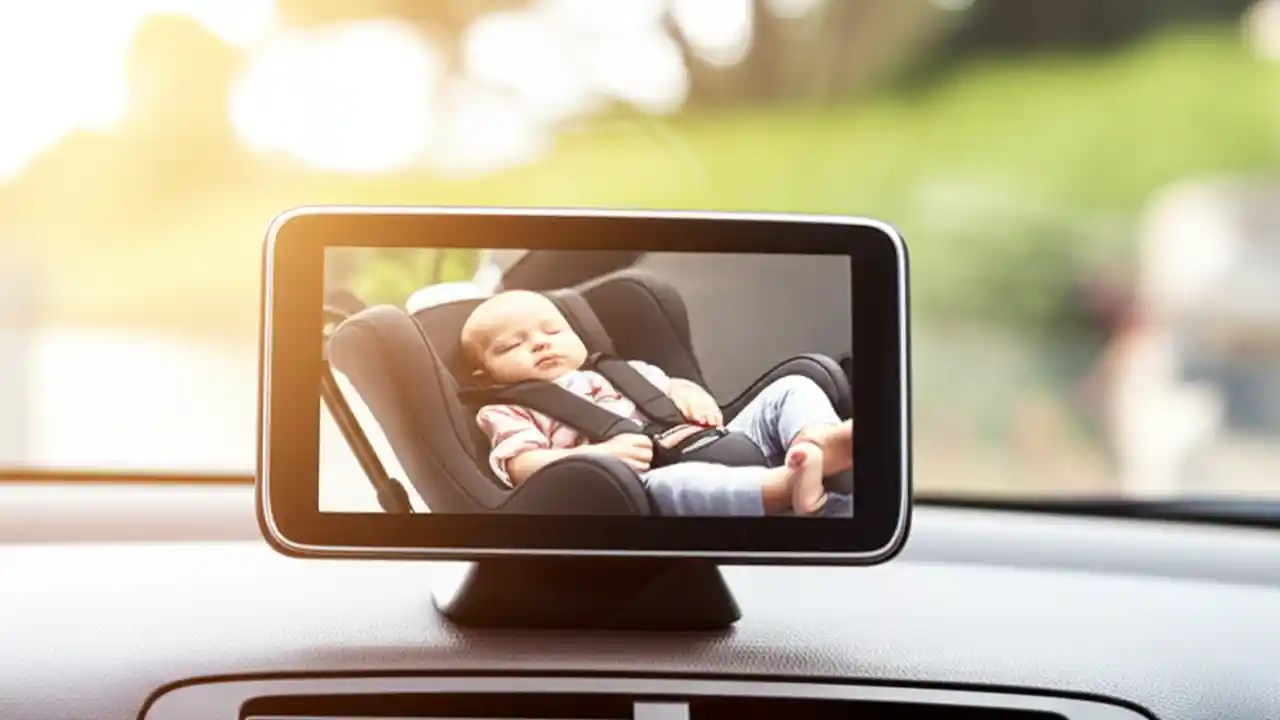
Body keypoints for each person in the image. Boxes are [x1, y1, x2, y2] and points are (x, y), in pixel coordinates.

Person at [460, 290, 853, 516]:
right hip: (639, 478)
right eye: (513, 344)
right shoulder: (506, 410)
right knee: (681, 486)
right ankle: (784, 487)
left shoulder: (620, 369)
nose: (540, 342)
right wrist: (600, 455)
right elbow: (521, 465)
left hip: (707, 435)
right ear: (486, 375)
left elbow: (671, 387)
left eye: (552, 330)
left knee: (792, 388)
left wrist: (689, 393)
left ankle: (817, 441)